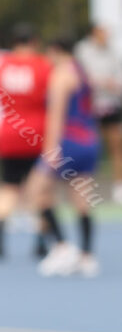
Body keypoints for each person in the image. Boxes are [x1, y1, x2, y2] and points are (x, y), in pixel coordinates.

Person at [27, 38, 102, 277]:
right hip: (88, 140)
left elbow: (56, 115)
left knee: (35, 190)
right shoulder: (83, 72)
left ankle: (61, 247)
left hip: (68, 141)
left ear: (54, 50)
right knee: (80, 198)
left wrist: (50, 150)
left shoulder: (61, 75)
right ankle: (87, 257)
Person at [0, 23, 51, 259]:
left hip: (9, 132)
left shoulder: (4, 65)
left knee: (9, 188)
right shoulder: (43, 65)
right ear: (34, 41)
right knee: (39, 190)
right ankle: (41, 242)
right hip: (37, 134)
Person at [75, 24, 122, 205]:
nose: (105, 36)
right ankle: (86, 186)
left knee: (117, 145)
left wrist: (114, 84)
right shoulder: (82, 51)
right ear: (94, 33)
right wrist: (99, 82)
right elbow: (80, 77)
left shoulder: (116, 51)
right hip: (89, 107)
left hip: (112, 104)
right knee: (88, 146)